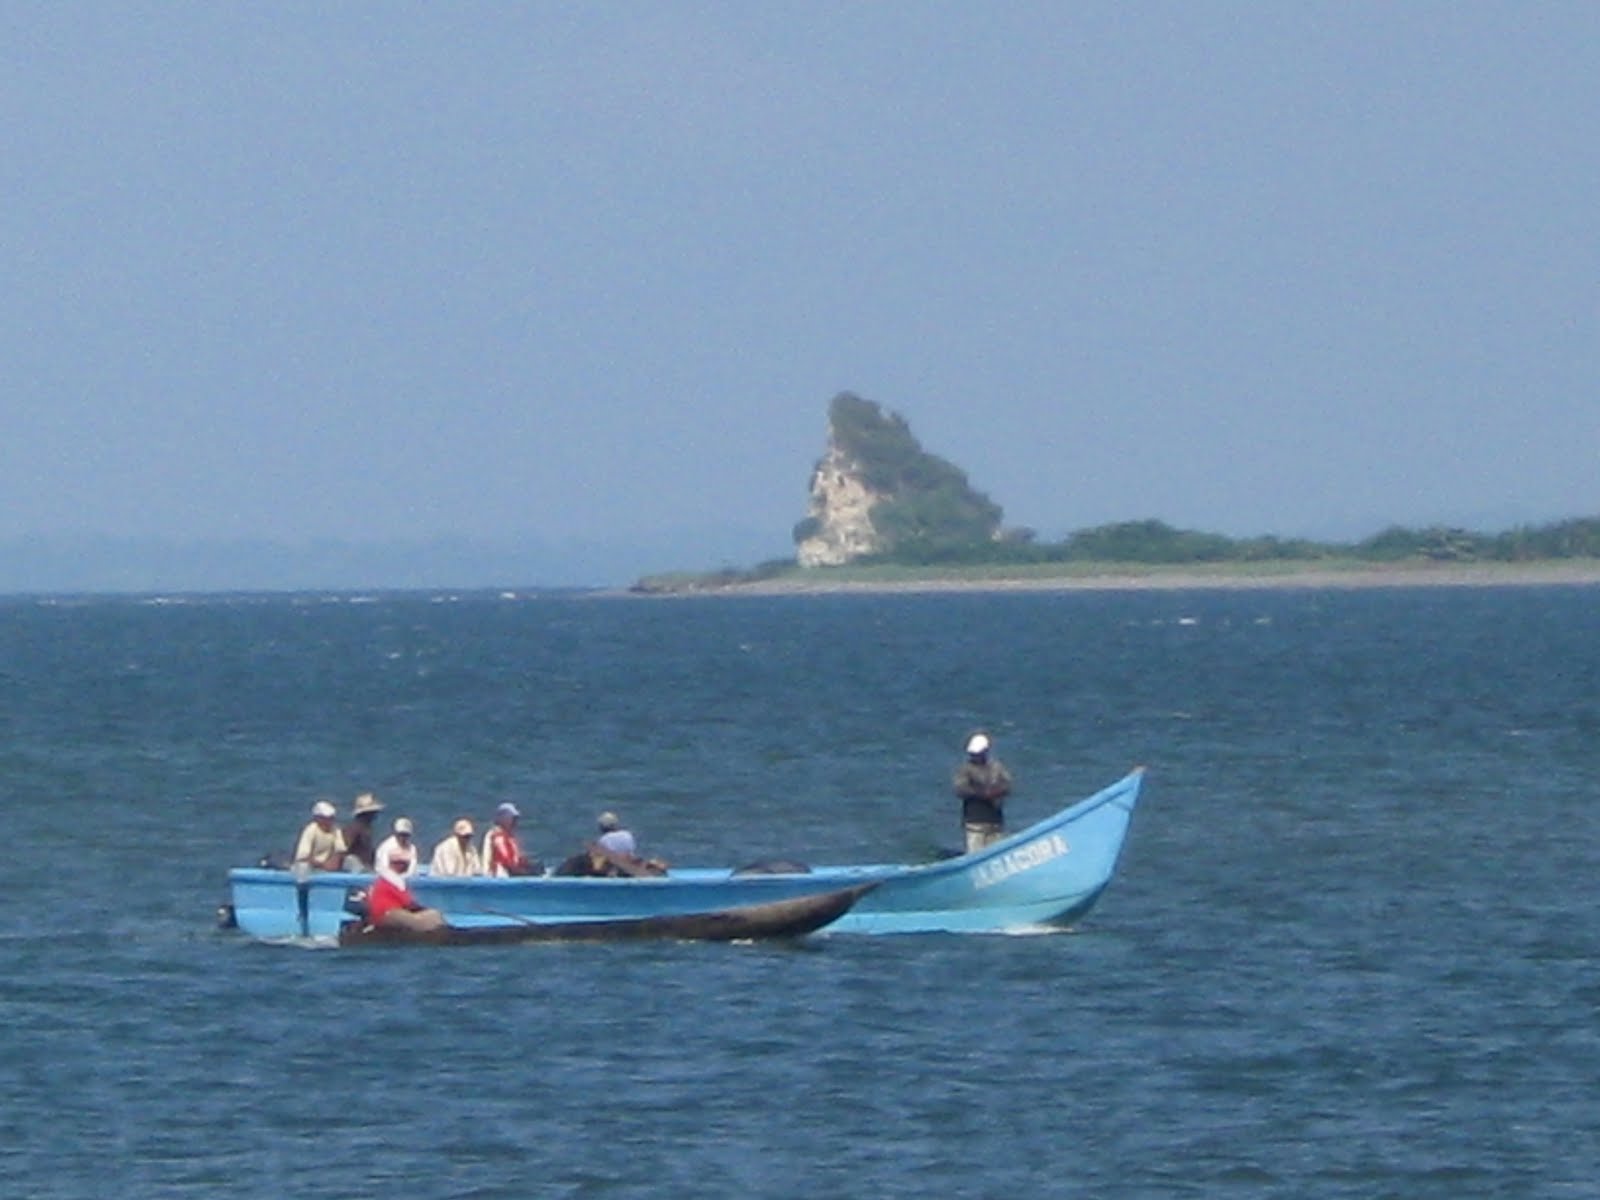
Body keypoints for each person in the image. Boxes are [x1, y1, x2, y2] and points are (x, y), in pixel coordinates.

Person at [953, 732, 1012, 853]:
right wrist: (983, 794)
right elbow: (960, 789)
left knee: (996, 854)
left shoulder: (997, 767)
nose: (976, 756)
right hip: (975, 823)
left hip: (995, 822)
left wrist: (996, 792)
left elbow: (1007, 785)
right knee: (975, 852)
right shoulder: (965, 770)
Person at [364, 849, 446, 933]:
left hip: (385, 914)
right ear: (398, 864)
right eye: (406, 863)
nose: (408, 865)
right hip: (389, 914)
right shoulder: (392, 880)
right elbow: (408, 903)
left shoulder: (386, 879)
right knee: (431, 917)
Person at [484, 802, 537, 877]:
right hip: (501, 876)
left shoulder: (509, 837)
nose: (515, 822)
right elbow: (506, 861)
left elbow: (516, 859)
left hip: (510, 874)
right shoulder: (497, 836)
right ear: (504, 818)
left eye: (516, 819)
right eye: (513, 818)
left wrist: (527, 865)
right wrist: (523, 872)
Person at [293, 799, 347, 871]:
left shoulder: (335, 830)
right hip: (311, 867)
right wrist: (323, 865)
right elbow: (303, 857)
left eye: (331, 818)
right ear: (317, 818)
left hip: (328, 866)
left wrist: (334, 861)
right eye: (325, 818)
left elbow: (340, 850)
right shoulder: (311, 830)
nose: (328, 821)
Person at [341, 792, 384, 871]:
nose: (375, 815)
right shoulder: (354, 828)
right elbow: (343, 849)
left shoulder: (366, 828)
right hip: (357, 868)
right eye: (373, 812)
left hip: (366, 867)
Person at [373, 817, 420, 885]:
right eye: (400, 834)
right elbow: (383, 868)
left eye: (406, 835)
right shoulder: (386, 847)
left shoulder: (412, 849)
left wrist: (403, 878)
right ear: (395, 833)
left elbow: (412, 870)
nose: (402, 838)